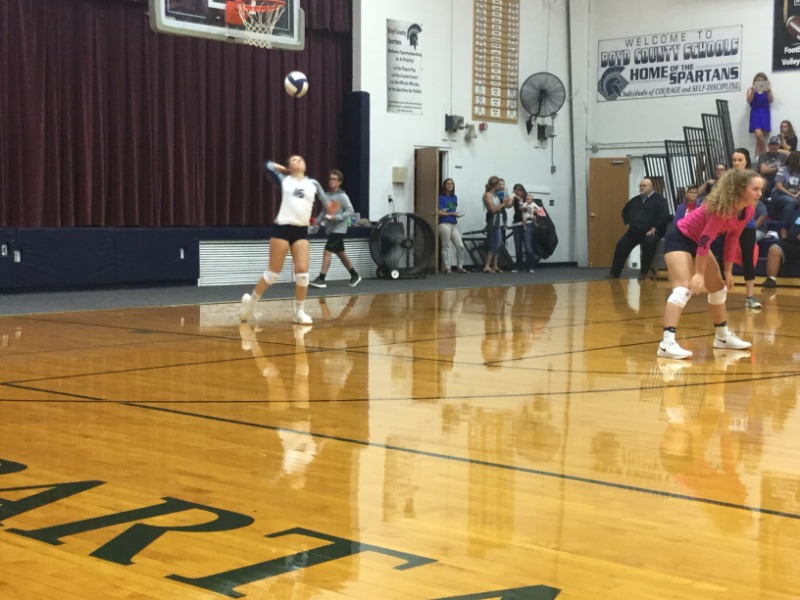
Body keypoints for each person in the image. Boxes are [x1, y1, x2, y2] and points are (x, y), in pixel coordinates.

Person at [657, 169, 764, 359]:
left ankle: (722, 337)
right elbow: (705, 240)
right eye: (755, 189)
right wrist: (698, 274)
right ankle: (666, 343)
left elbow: (733, 239)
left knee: (718, 289)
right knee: (682, 289)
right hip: (680, 239)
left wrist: (729, 271)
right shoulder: (721, 209)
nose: (760, 194)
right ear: (740, 189)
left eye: (761, 189)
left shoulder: (748, 210)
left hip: (699, 244)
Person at [239, 156, 328, 325]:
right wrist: (285, 170)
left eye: (301, 159)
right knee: (273, 274)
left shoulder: (313, 184)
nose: (298, 160)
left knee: (302, 273)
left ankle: (299, 312)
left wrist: (322, 217)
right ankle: (250, 304)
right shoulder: (285, 181)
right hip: (282, 229)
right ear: (289, 166)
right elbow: (267, 166)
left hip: (301, 230)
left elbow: (327, 203)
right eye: (293, 160)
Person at [608, 178, 671, 280]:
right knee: (621, 245)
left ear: (651, 187)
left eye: (644, 185)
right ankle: (614, 273)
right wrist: (627, 222)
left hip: (652, 231)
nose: (641, 187)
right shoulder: (635, 200)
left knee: (649, 243)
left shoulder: (660, 200)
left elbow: (664, 216)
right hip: (634, 231)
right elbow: (625, 211)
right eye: (640, 186)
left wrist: (655, 226)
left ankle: (643, 272)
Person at [309, 169, 361, 288]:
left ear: (339, 182)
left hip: (339, 229)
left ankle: (321, 278)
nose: (331, 181)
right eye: (330, 179)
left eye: (334, 179)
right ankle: (355, 275)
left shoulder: (343, 196)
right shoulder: (327, 195)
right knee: (341, 253)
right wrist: (316, 222)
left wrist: (337, 217)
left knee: (327, 251)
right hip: (330, 229)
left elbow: (350, 211)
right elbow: (324, 211)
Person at [730, 148, 762, 309]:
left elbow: (753, 203)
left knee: (748, 259)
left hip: (746, 224)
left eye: (740, 160)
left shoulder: (753, 179)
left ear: (746, 161)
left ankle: (750, 296)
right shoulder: (728, 179)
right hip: (728, 223)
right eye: (734, 160)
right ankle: (719, 291)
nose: (736, 163)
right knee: (724, 256)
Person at [761, 206, 800, 289]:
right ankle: (771, 280)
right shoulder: (796, 213)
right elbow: (784, 229)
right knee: (774, 249)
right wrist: (785, 239)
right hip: (790, 243)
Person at [437, 178, 468, 273]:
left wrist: (455, 214)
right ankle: (447, 267)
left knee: (460, 246)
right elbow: (440, 213)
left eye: (452, 184)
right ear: (444, 185)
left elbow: (451, 210)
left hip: (453, 224)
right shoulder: (441, 197)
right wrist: (452, 214)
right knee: (445, 246)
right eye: (448, 184)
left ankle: (460, 266)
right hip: (444, 223)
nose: (450, 185)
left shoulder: (454, 197)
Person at [482, 175, 512, 273]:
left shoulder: (495, 195)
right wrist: (503, 203)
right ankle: (487, 265)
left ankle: (495, 265)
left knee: (498, 243)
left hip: (499, 220)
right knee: (494, 243)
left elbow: (506, 205)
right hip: (494, 220)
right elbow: (492, 209)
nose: (500, 186)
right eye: (498, 184)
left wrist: (507, 199)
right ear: (494, 185)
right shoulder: (488, 195)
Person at [509, 183, 535, 272]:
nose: (517, 194)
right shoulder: (515, 198)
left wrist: (520, 201)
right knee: (518, 246)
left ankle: (530, 266)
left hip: (527, 223)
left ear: (522, 191)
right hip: (516, 223)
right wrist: (512, 198)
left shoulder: (527, 198)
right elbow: (507, 206)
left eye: (518, 191)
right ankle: (519, 265)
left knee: (528, 246)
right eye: (515, 192)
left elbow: (525, 208)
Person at [770, 151, 800, 226]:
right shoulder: (783, 170)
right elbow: (778, 186)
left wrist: (797, 194)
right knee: (791, 201)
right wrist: (791, 195)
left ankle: (796, 226)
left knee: (794, 200)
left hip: (795, 194)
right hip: (779, 194)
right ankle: (783, 227)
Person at [746, 72, 772, 157]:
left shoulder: (767, 90)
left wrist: (769, 91)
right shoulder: (750, 89)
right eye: (757, 80)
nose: (759, 82)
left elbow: (771, 100)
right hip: (755, 113)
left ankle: (757, 157)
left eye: (761, 81)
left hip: (765, 113)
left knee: (760, 138)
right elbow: (749, 101)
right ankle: (766, 152)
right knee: (758, 134)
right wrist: (753, 92)